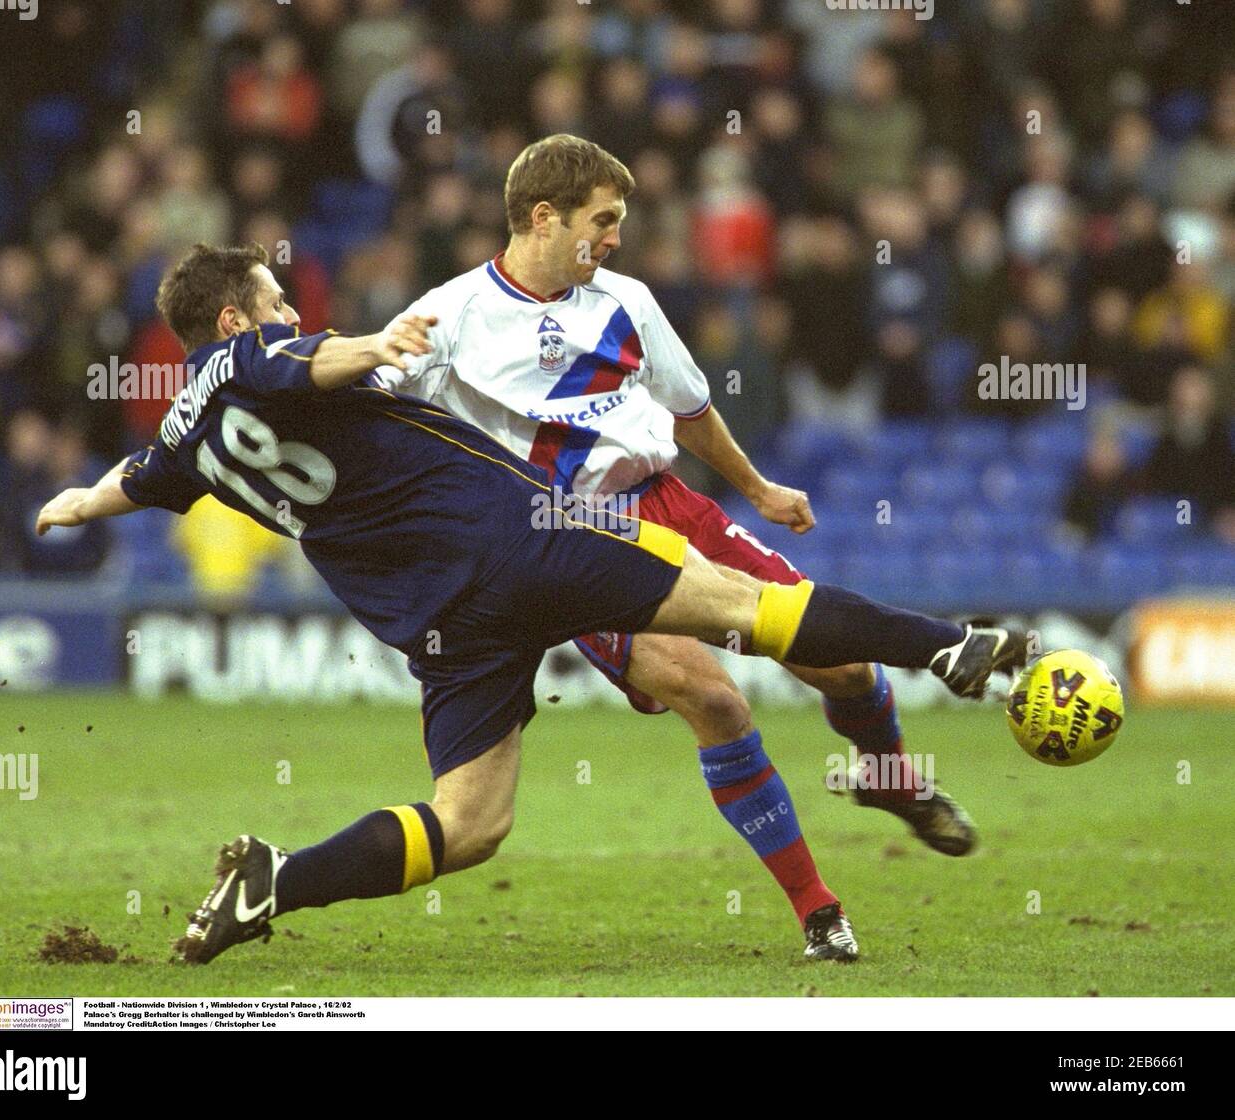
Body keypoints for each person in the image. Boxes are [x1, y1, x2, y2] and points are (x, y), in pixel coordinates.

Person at [37, 243, 1026, 965]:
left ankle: (272, 881)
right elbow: (299, 363)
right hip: (527, 541)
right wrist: (371, 341)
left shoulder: (187, 431)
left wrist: (81, 499)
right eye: (276, 299)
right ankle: (951, 648)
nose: (293, 311)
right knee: (745, 606)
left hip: (442, 620)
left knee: (467, 822)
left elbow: (143, 475)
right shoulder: (256, 360)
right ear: (233, 321)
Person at [372, 134, 979, 960]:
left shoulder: (626, 300)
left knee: (839, 665)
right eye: (605, 219)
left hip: (670, 502)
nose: (617, 236)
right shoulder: (446, 318)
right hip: (572, 542)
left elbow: (689, 406)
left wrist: (758, 489)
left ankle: (890, 778)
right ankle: (817, 909)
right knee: (717, 700)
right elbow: (368, 412)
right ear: (544, 218)